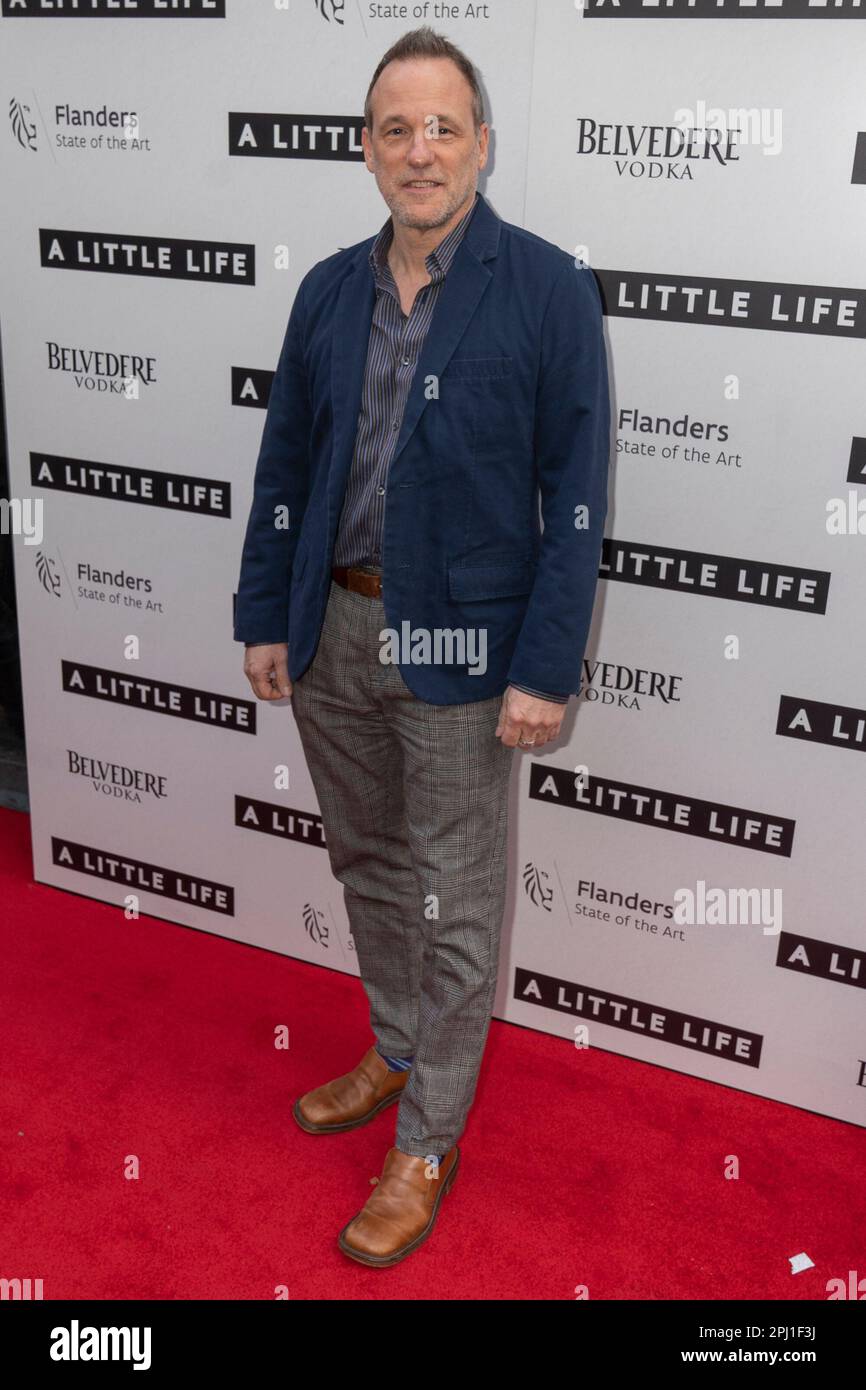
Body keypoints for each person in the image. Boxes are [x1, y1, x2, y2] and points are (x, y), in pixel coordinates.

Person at [234, 25, 611, 1268]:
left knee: (451, 900)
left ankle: (427, 1140)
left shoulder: (548, 287)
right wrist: (263, 613)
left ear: (482, 144)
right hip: (331, 623)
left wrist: (544, 667)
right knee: (369, 864)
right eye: (395, 128)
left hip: (464, 649)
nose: (420, 149)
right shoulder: (328, 288)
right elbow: (284, 460)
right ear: (366, 150)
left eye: (442, 125)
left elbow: (575, 496)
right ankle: (397, 1048)